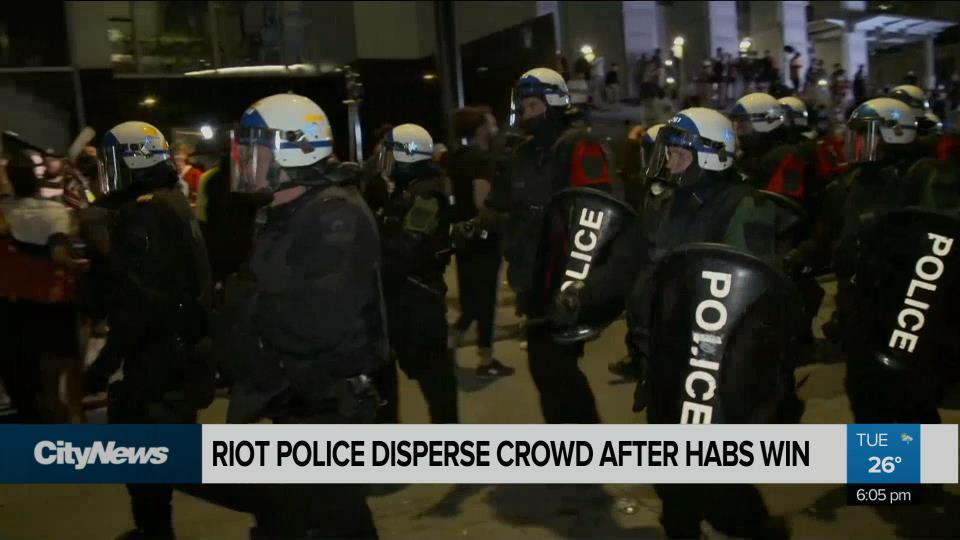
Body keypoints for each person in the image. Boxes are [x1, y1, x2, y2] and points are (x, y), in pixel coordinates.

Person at [194, 94, 384, 538]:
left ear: (292, 152)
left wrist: (241, 304)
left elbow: (311, 326)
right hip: (291, 407)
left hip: (324, 416)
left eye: (255, 151)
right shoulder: (285, 211)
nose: (246, 162)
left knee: (317, 521)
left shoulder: (334, 215)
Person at [629, 107, 793, 539]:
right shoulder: (671, 203)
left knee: (716, 480)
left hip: (709, 363)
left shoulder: (744, 206)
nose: (670, 163)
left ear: (711, 156)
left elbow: (757, 295)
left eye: (680, 154)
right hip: (667, 354)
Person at [81, 121, 213, 540]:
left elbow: (136, 304)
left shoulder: (143, 216)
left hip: (158, 356)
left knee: (147, 457)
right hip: (178, 349)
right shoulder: (168, 201)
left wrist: (103, 365)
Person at [485, 67, 613, 423]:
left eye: (533, 104)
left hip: (564, 276)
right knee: (544, 370)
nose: (526, 113)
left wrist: (580, 281)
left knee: (557, 367)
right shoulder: (522, 153)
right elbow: (502, 204)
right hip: (532, 275)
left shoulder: (577, 145)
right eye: (522, 106)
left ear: (554, 102)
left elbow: (597, 212)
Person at [374, 123, 458, 424]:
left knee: (438, 390)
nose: (384, 159)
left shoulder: (427, 197)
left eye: (389, 152)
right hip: (403, 302)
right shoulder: (407, 192)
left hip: (418, 305)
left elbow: (405, 251)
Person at [448, 107, 514, 377]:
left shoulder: (455, 157)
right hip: (484, 237)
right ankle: (470, 353)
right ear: (479, 130)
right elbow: (482, 202)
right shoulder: (482, 159)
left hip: (463, 236)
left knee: (474, 300)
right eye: (490, 123)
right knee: (482, 301)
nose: (495, 127)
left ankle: (480, 356)